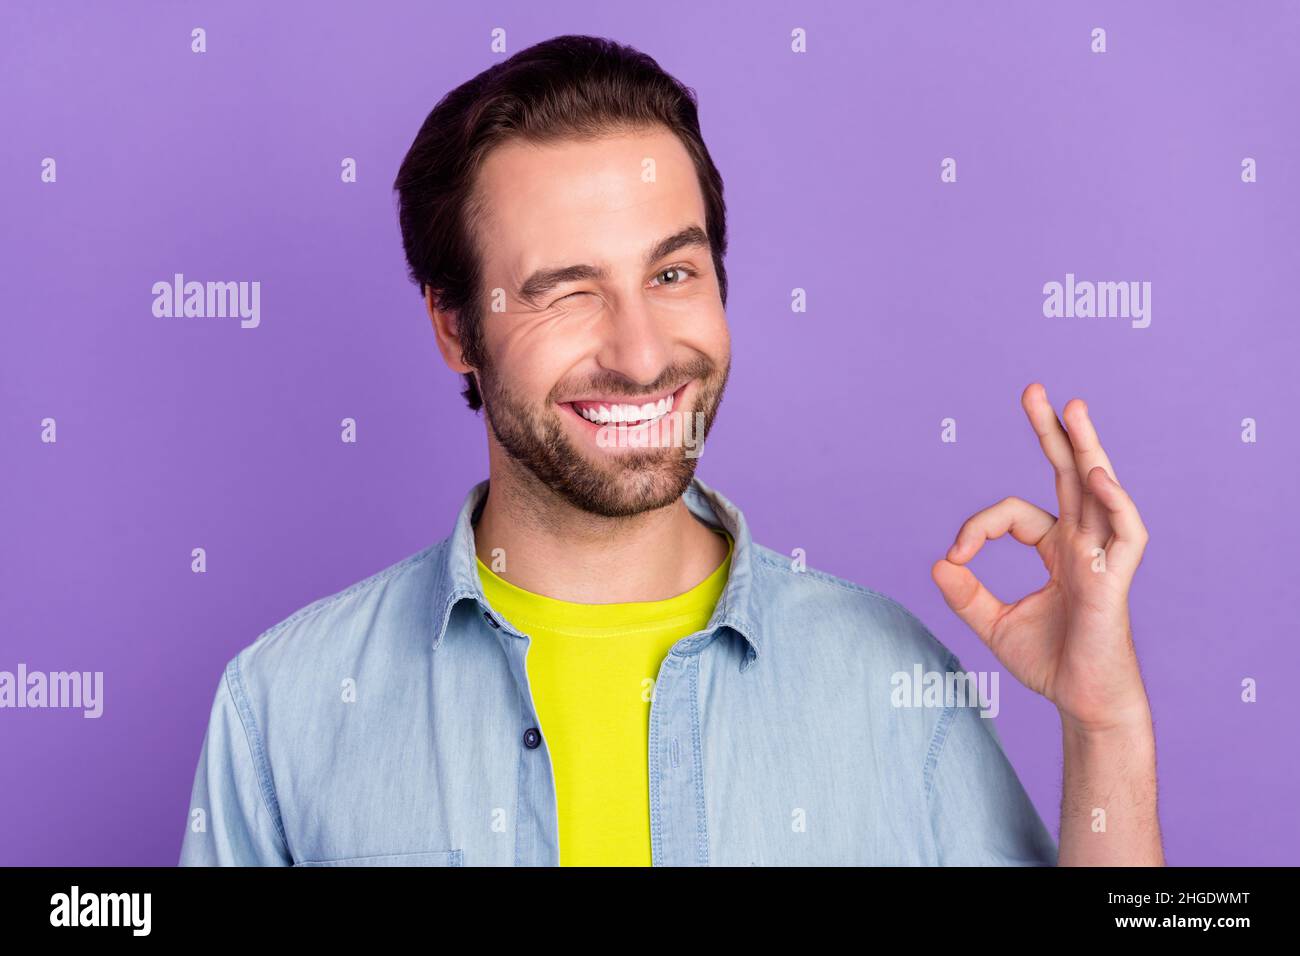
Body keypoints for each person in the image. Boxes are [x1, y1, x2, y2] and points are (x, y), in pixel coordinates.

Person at [180, 34, 1161, 867]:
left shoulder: (892, 681)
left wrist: (1103, 722)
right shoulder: (282, 707)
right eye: (567, 289)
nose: (642, 354)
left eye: (673, 271)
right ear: (452, 326)